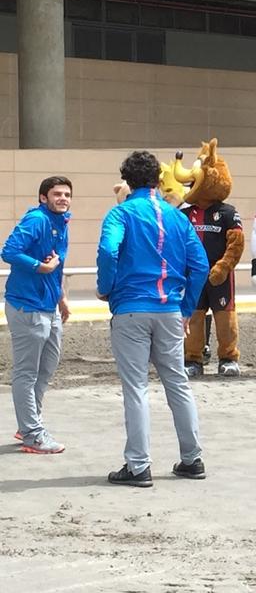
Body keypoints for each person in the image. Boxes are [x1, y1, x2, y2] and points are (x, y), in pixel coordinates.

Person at [97, 151, 210, 488]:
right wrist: (187, 307)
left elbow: (107, 251)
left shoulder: (120, 213)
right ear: (160, 180)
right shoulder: (178, 218)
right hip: (170, 309)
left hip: (131, 307)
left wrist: (106, 288)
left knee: (136, 388)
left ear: (127, 180)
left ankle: (138, 465)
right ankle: (192, 459)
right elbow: (200, 265)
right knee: (177, 383)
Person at [2, 176, 72, 454]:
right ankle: (32, 434)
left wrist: (62, 299)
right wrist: (37, 267)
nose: (63, 198)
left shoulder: (61, 222)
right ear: (44, 197)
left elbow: (56, 263)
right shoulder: (37, 220)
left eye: (67, 194)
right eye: (57, 194)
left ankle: (29, 423)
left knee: (46, 369)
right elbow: (8, 251)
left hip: (49, 306)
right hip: (27, 307)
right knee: (26, 373)